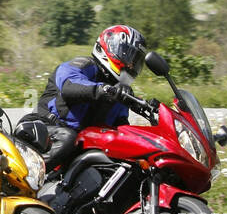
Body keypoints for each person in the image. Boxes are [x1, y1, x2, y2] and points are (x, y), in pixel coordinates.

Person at [19, 25, 147, 168]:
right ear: (110, 47)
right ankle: (29, 178)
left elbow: (121, 129)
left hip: (78, 145)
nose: (131, 65)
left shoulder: (121, 93)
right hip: (39, 130)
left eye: (136, 61)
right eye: (127, 55)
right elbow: (70, 87)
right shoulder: (83, 65)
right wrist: (104, 90)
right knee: (67, 138)